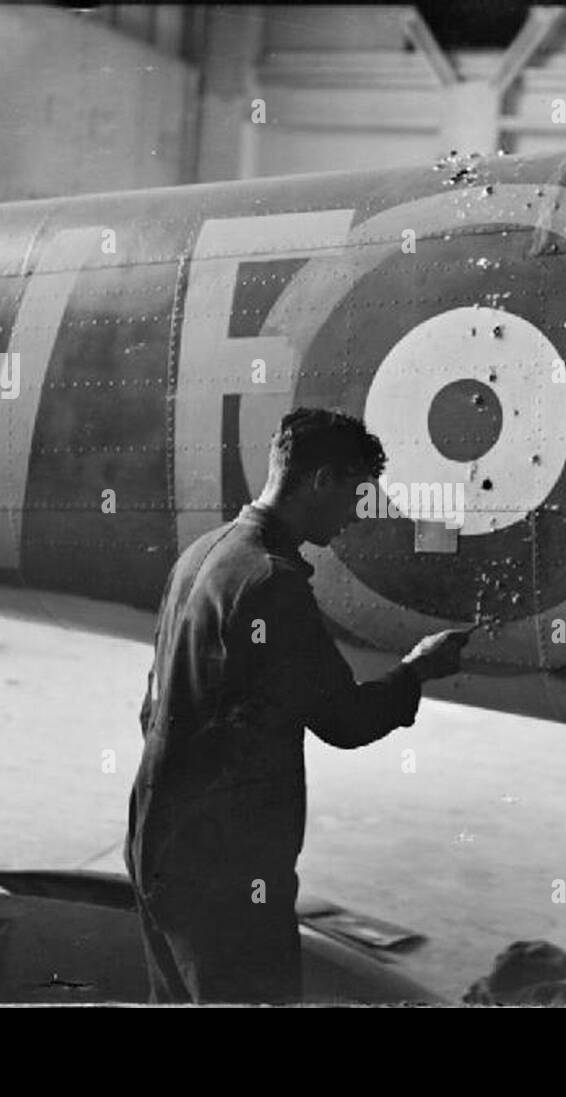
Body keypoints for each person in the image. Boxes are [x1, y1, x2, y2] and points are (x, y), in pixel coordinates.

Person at [125, 407, 470, 1004]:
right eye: (357, 493)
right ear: (321, 481)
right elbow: (344, 721)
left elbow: (153, 704)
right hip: (225, 868)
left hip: (157, 838)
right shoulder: (271, 583)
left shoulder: (203, 555)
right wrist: (419, 669)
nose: (358, 513)